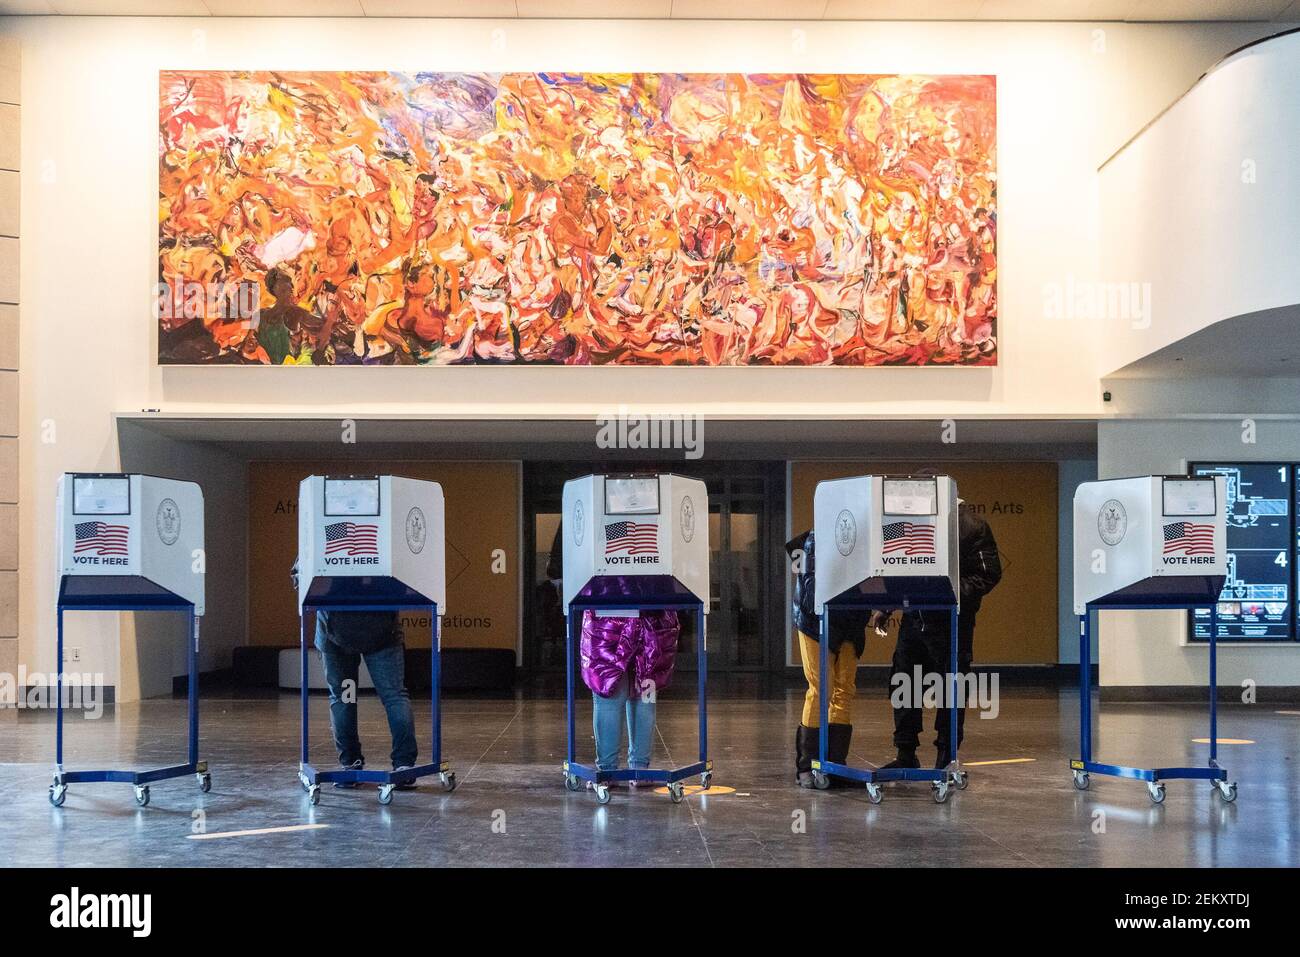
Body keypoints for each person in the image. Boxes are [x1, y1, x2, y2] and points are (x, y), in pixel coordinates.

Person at [882, 501, 1002, 771]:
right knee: (903, 685)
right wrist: (888, 605)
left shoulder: (972, 525)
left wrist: (948, 594)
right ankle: (905, 754)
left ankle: (946, 757)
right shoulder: (905, 523)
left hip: (952, 621)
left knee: (951, 689)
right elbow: (896, 566)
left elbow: (988, 574)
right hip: (914, 618)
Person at [291, 559, 418, 787]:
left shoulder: (323, 532)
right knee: (394, 697)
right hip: (382, 629)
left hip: (335, 632)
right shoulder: (384, 535)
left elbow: (300, 576)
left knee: (344, 698)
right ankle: (404, 766)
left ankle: (350, 766)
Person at [787, 529, 880, 788]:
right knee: (821, 688)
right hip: (815, 620)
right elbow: (812, 588)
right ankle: (807, 765)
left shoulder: (868, 538)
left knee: (844, 690)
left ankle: (835, 762)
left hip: (850, 621)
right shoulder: (818, 537)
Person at [580, 607, 680, 780]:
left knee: (609, 696)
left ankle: (607, 771)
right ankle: (640, 770)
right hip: (654, 619)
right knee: (645, 693)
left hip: (607, 620)